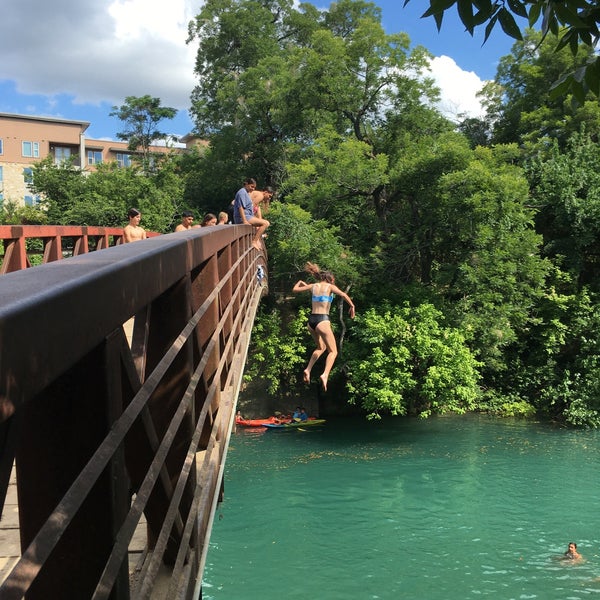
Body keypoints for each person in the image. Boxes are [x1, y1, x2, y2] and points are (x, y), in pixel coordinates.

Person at [292, 261, 355, 391]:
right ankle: (325, 374)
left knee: (321, 347)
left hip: (311, 322)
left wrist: (300, 282)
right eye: (333, 280)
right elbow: (343, 294)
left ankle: (308, 369)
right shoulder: (330, 287)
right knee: (333, 351)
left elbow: (295, 289)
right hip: (322, 321)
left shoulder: (313, 286)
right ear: (330, 279)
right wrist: (352, 306)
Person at [233, 178, 270, 250]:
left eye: (254, 187)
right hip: (244, 217)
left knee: (264, 223)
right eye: (251, 186)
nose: (253, 189)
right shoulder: (242, 192)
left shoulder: (246, 193)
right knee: (265, 223)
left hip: (248, 216)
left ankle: (256, 240)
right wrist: (244, 221)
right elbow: (240, 207)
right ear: (246, 184)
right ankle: (254, 241)